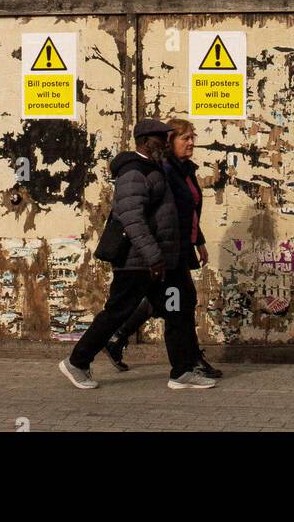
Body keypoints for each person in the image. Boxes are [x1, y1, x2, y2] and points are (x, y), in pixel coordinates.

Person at [59, 118, 215, 390]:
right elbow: (133, 220)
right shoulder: (133, 172)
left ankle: (182, 372)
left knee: (177, 309)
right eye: (161, 140)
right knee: (117, 313)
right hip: (136, 261)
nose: (166, 144)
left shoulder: (153, 168)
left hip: (159, 261)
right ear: (145, 142)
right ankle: (77, 361)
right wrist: (154, 257)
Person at [103, 117, 221, 379]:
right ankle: (185, 366)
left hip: (179, 245)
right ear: (170, 142)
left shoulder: (183, 169)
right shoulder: (165, 169)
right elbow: (155, 213)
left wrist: (198, 239)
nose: (191, 143)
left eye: (193, 137)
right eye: (185, 138)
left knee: (175, 303)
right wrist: (155, 252)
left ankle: (185, 361)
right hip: (167, 249)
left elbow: (185, 210)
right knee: (175, 304)